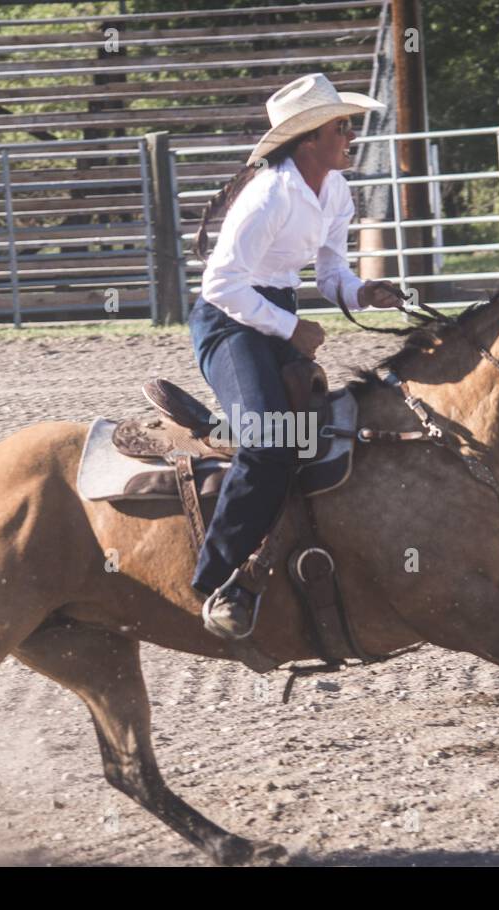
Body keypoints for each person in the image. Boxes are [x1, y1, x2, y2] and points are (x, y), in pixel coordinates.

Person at [188, 72, 401, 641]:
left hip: (272, 315)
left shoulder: (333, 189)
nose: (350, 135)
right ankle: (213, 583)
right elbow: (221, 286)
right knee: (268, 440)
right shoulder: (270, 195)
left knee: (321, 437)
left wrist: (363, 292)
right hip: (229, 322)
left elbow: (331, 273)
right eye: (341, 126)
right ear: (309, 138)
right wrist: (290, 327)